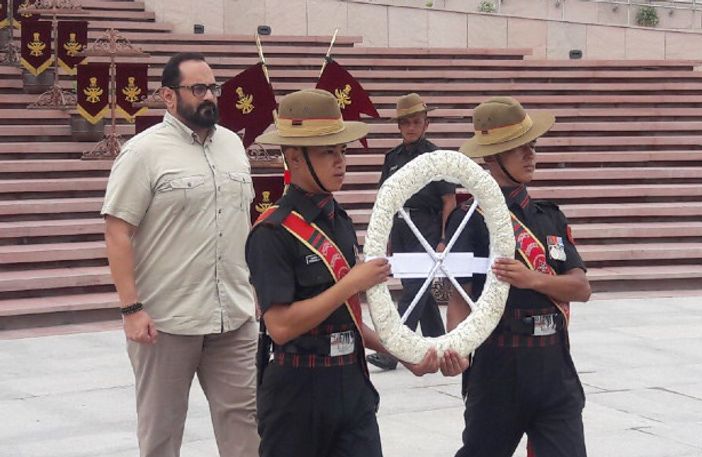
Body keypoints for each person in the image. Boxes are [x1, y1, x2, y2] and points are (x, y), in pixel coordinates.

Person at [246, 89, 438, 457]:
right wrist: (351, 283)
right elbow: (281, 325)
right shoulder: (272, 232)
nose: (340, 161)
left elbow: (348, 320)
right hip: (297, 392)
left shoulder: (339, 221)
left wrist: (403, 353)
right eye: (327, 152)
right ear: (294, 158)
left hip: (350, 383)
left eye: (342, 151)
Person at [102, 52, 259, 457]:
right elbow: (118, 231)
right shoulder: (142, 152)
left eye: (213, 88)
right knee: (162, 433)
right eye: (198, 88)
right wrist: (131, 309)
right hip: (166, 322)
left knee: (248, 427)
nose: (209, 96)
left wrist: (256, 289)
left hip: (233, 317)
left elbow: (243, 224)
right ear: (168, 96)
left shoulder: (233, 145)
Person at [439, 96, 592, 457]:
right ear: (492, 157)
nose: (530, 155)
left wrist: (531, 279)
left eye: (531, 146)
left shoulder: (549, 217)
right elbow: (458, 294)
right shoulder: (469, 219)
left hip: (553, 364)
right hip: (499, 364)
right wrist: (456, 346)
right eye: (518, 148)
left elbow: (581, 288)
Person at [366, 93, 456, 371]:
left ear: (426, 123)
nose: (411, 127)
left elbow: (449, 201)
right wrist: (388, 236)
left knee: (415, 289)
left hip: (426, 227)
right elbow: (386, 199)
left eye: (416, 122)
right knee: (417, 288)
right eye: (406, 123)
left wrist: (444, 238)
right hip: (401, 227)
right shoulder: (392, 158)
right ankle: (438, 343)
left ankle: (394, 350)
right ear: (399, 126)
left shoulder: (436, 157)